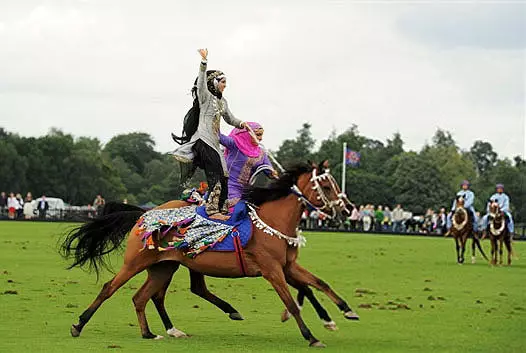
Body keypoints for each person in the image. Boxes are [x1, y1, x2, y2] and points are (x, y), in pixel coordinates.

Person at [172, 49, 249, 220]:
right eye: (222, 82)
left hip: (214, 143)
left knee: (225, 175)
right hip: (203, 141)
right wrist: (203, 63)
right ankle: (212, 210)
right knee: (215, 173)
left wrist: (242, 124)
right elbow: (200, 83)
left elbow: (230, 119)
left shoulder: (223, 102)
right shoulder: (205, 97)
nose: (225, 85)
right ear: (214, 83)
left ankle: (221, 208)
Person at [220, 122, 277, 210]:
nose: (260, 139)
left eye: (261, 136)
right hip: (228, 187)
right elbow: (217, 135)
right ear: (247, 134)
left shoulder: (261, 153)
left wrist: (273, 173)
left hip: (247, 191)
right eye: (258, 135)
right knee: (236, 210)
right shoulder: (234, 144)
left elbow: (268, 169)